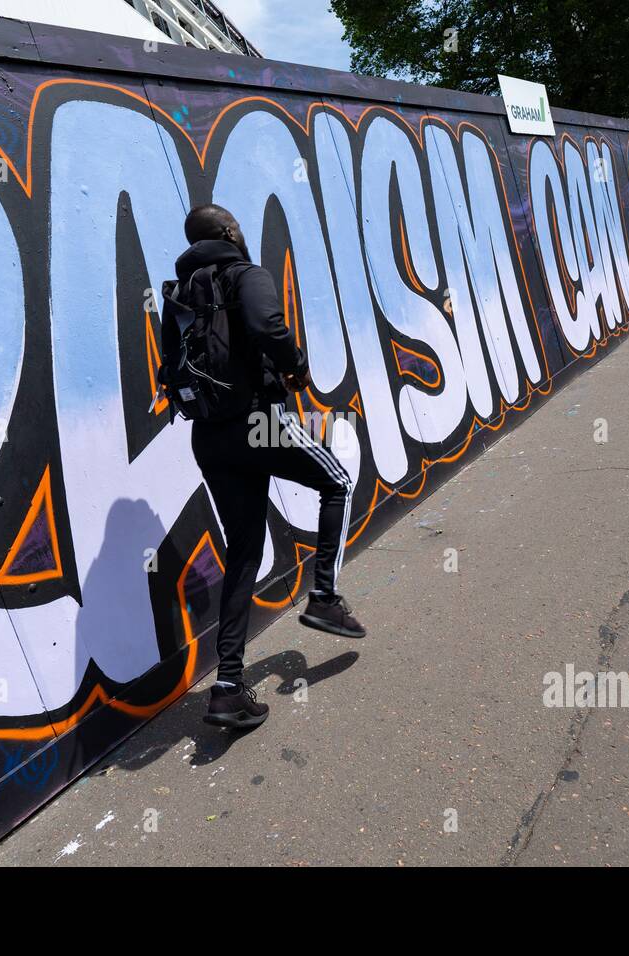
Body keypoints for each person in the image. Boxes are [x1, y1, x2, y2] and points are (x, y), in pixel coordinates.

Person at [166, 204, 365, 731]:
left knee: (243, 554)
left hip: (208, 436)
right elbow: (265, 324)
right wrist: (296, 366)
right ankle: (323, 596)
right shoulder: (246, 274)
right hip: (258, 424)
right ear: (230, 232)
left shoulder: (178, 294)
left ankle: (228, 688)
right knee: (336, 480)